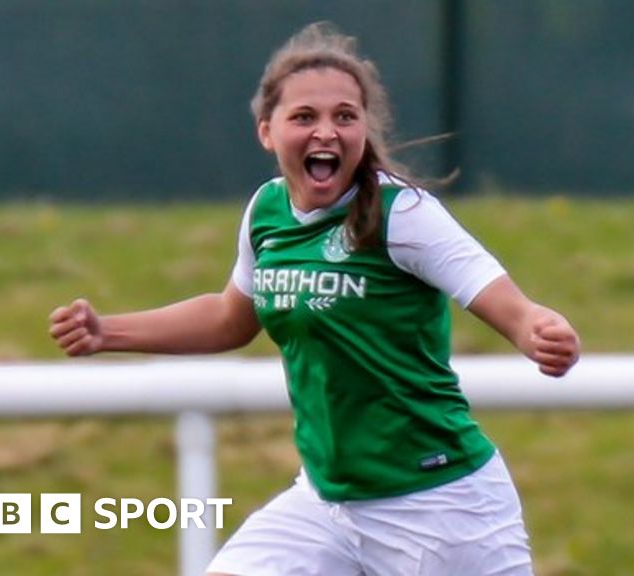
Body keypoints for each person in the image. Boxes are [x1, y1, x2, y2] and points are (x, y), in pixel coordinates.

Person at [49, 22, 580, 576]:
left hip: (441, 508)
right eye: (304, 117)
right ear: (267, 132)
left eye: (344, 116)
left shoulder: (404, 214)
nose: (326, 131)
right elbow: (231, 317)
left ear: (363, 130)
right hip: (328, 506)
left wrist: (534, 328)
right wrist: (108, 332)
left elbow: (494, 292)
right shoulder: (268, 212)